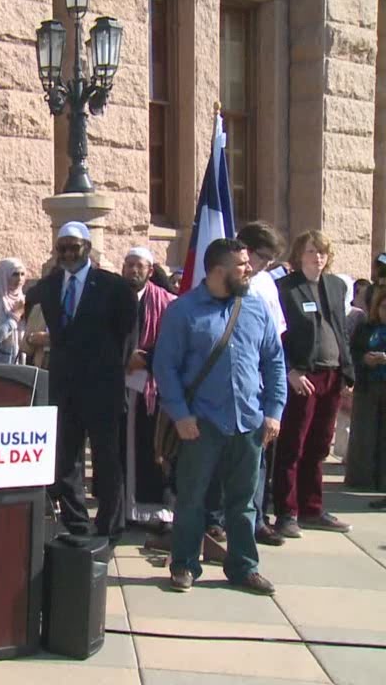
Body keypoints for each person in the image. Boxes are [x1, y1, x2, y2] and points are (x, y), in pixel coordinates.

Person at [152, 238, 285, 595]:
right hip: (200, 424)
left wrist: (274, 411)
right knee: (192, 500)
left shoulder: (256, 308)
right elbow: (165, 367)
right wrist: (180, 414)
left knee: (243, 503)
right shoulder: (184, 311)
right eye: (242, 265)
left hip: (249, 423)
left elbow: (274, 361)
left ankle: (243, 567)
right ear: (218, 271)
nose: (250, 269)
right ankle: (184, 564)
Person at [24, 222, 136, 543]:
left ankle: (109, 525)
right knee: (64, 458)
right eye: (63, 248)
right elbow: (27, 312)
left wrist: (112, 367)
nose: (69, 253)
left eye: (75, 247)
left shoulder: (113, 287)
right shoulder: (49, 285)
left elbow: (127, 334)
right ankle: (76, 522)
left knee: (107, 459)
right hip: (64, 385)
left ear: (87, 248)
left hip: (103, 386)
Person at [273, 230, 354, 536]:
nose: (317, 257)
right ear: (299, 255)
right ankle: (287, 511)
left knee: (320, 445)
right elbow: (278, 335)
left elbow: (340, 329)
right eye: (310, 251)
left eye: (321, 252)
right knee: (294, 443)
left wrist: (348, 372)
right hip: (303, 375)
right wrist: (290, 370)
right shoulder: (285, 288)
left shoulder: (335, 286)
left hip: (332, 374)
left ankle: (312, 507)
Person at [234, 222, 288, 547]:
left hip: (261, 379)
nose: (267, 265)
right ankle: (220, 522)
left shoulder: (266, 283)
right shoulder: (223, 280)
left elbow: (276, 337)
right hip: (233, 381)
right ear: (246, 250)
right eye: (263, 257)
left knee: (259, 452)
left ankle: (257, 517)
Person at [119, 247, 176, 531]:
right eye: (128, 265)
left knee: (152, 450)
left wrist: (145, 358)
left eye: (139, 266)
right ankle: (124, 511)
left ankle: (157, 513)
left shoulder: (167, 303)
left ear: (150, 270)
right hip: (118, 386)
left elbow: (174, 344)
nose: (133, 270)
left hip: (152, 387)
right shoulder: (112, 299)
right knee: (121, 452)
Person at [347, 288, 386, 493]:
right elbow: (353, 350)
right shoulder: (367, 328)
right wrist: (364, 359)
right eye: (383, 306)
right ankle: (361, 479)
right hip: (368, 385)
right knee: (365, 434)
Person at [0, 258, 27, 363]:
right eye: (15, 274)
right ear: (3, 275)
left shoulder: (24, 300)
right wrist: (15, 317)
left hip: (20, 365)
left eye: (22, 274)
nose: (19, 278)